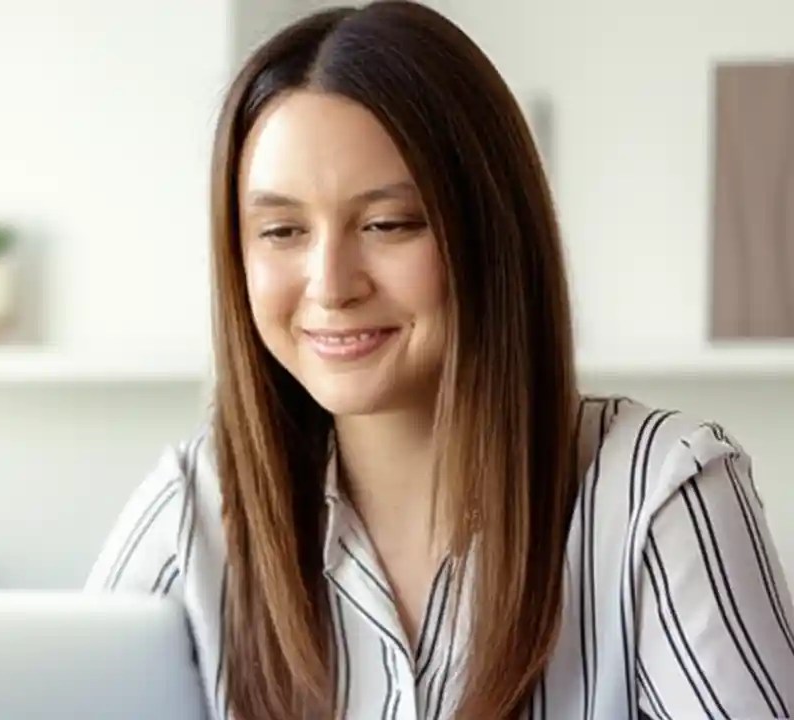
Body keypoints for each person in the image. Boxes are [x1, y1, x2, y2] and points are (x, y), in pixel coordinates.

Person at [85, 2, 794, 718]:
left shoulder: (657, 494)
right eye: (282, 230)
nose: (331, 284)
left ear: (489, 232)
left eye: (387, 224)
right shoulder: (193, 513)